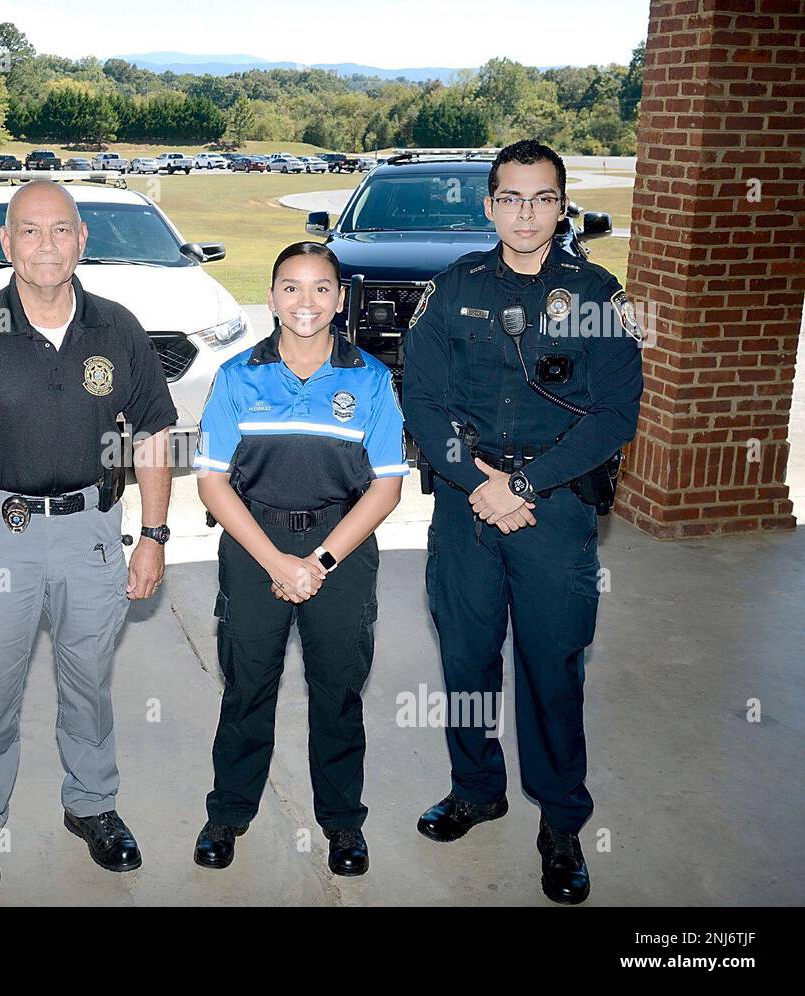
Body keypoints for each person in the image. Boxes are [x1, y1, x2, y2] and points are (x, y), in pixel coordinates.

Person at [0, 179, 178, 897]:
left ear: (82, 240)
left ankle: (92, 805)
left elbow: (152, 434)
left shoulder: (118, 329)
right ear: (6, 243)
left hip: (93, 530)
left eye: (60, 230)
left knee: (88, 683)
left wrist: (151, 535)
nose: (45, 245)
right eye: (29, 230)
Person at [401, 139, 643, 905]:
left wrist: (526, 484)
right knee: (467, 662)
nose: (527, 213)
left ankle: (562, 822)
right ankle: (476, 789)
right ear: (489, 206)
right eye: (511, 197)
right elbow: (422, 398)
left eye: (542, 198)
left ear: (562, 206)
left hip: (555, 506)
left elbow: (615, 413)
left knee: (551, 669)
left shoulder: (599, 294)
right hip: (466, 507)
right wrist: (480, 482)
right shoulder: (454, 286)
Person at [192, 241, 406, 876]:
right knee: (247, 686)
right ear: (271, 297)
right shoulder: (237, 376)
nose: (305, 302)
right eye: (291, 287)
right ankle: (228, 813)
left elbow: (386, 487)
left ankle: (342, 824)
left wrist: (320, 561)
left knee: (337, 691)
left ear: (340, 300)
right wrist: (278, 564)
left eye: (320, 288)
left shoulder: (370, 379)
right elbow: (212, 482)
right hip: (255, 548)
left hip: (339, 548)